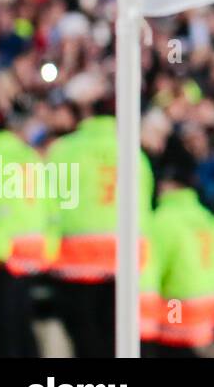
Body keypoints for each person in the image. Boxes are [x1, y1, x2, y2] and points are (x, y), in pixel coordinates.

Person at [47, 102, 154, 358]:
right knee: (115, 336)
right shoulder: (134, 153)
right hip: (124, 257)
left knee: (85, 336)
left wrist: (48, 250)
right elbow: (144, 205)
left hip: (77, 257)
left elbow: (49, 204)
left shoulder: (64, 149)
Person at [0, 101, 52, 357]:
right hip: (31, 251)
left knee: (4, 330)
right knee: (22, 326)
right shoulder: (28, 155)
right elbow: (47, 202)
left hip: (0, 258)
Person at [142, 133, 214, 356]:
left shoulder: (162, 220)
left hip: (177, 311)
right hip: (208, 311)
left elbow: (150, 274)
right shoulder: (205, 217)